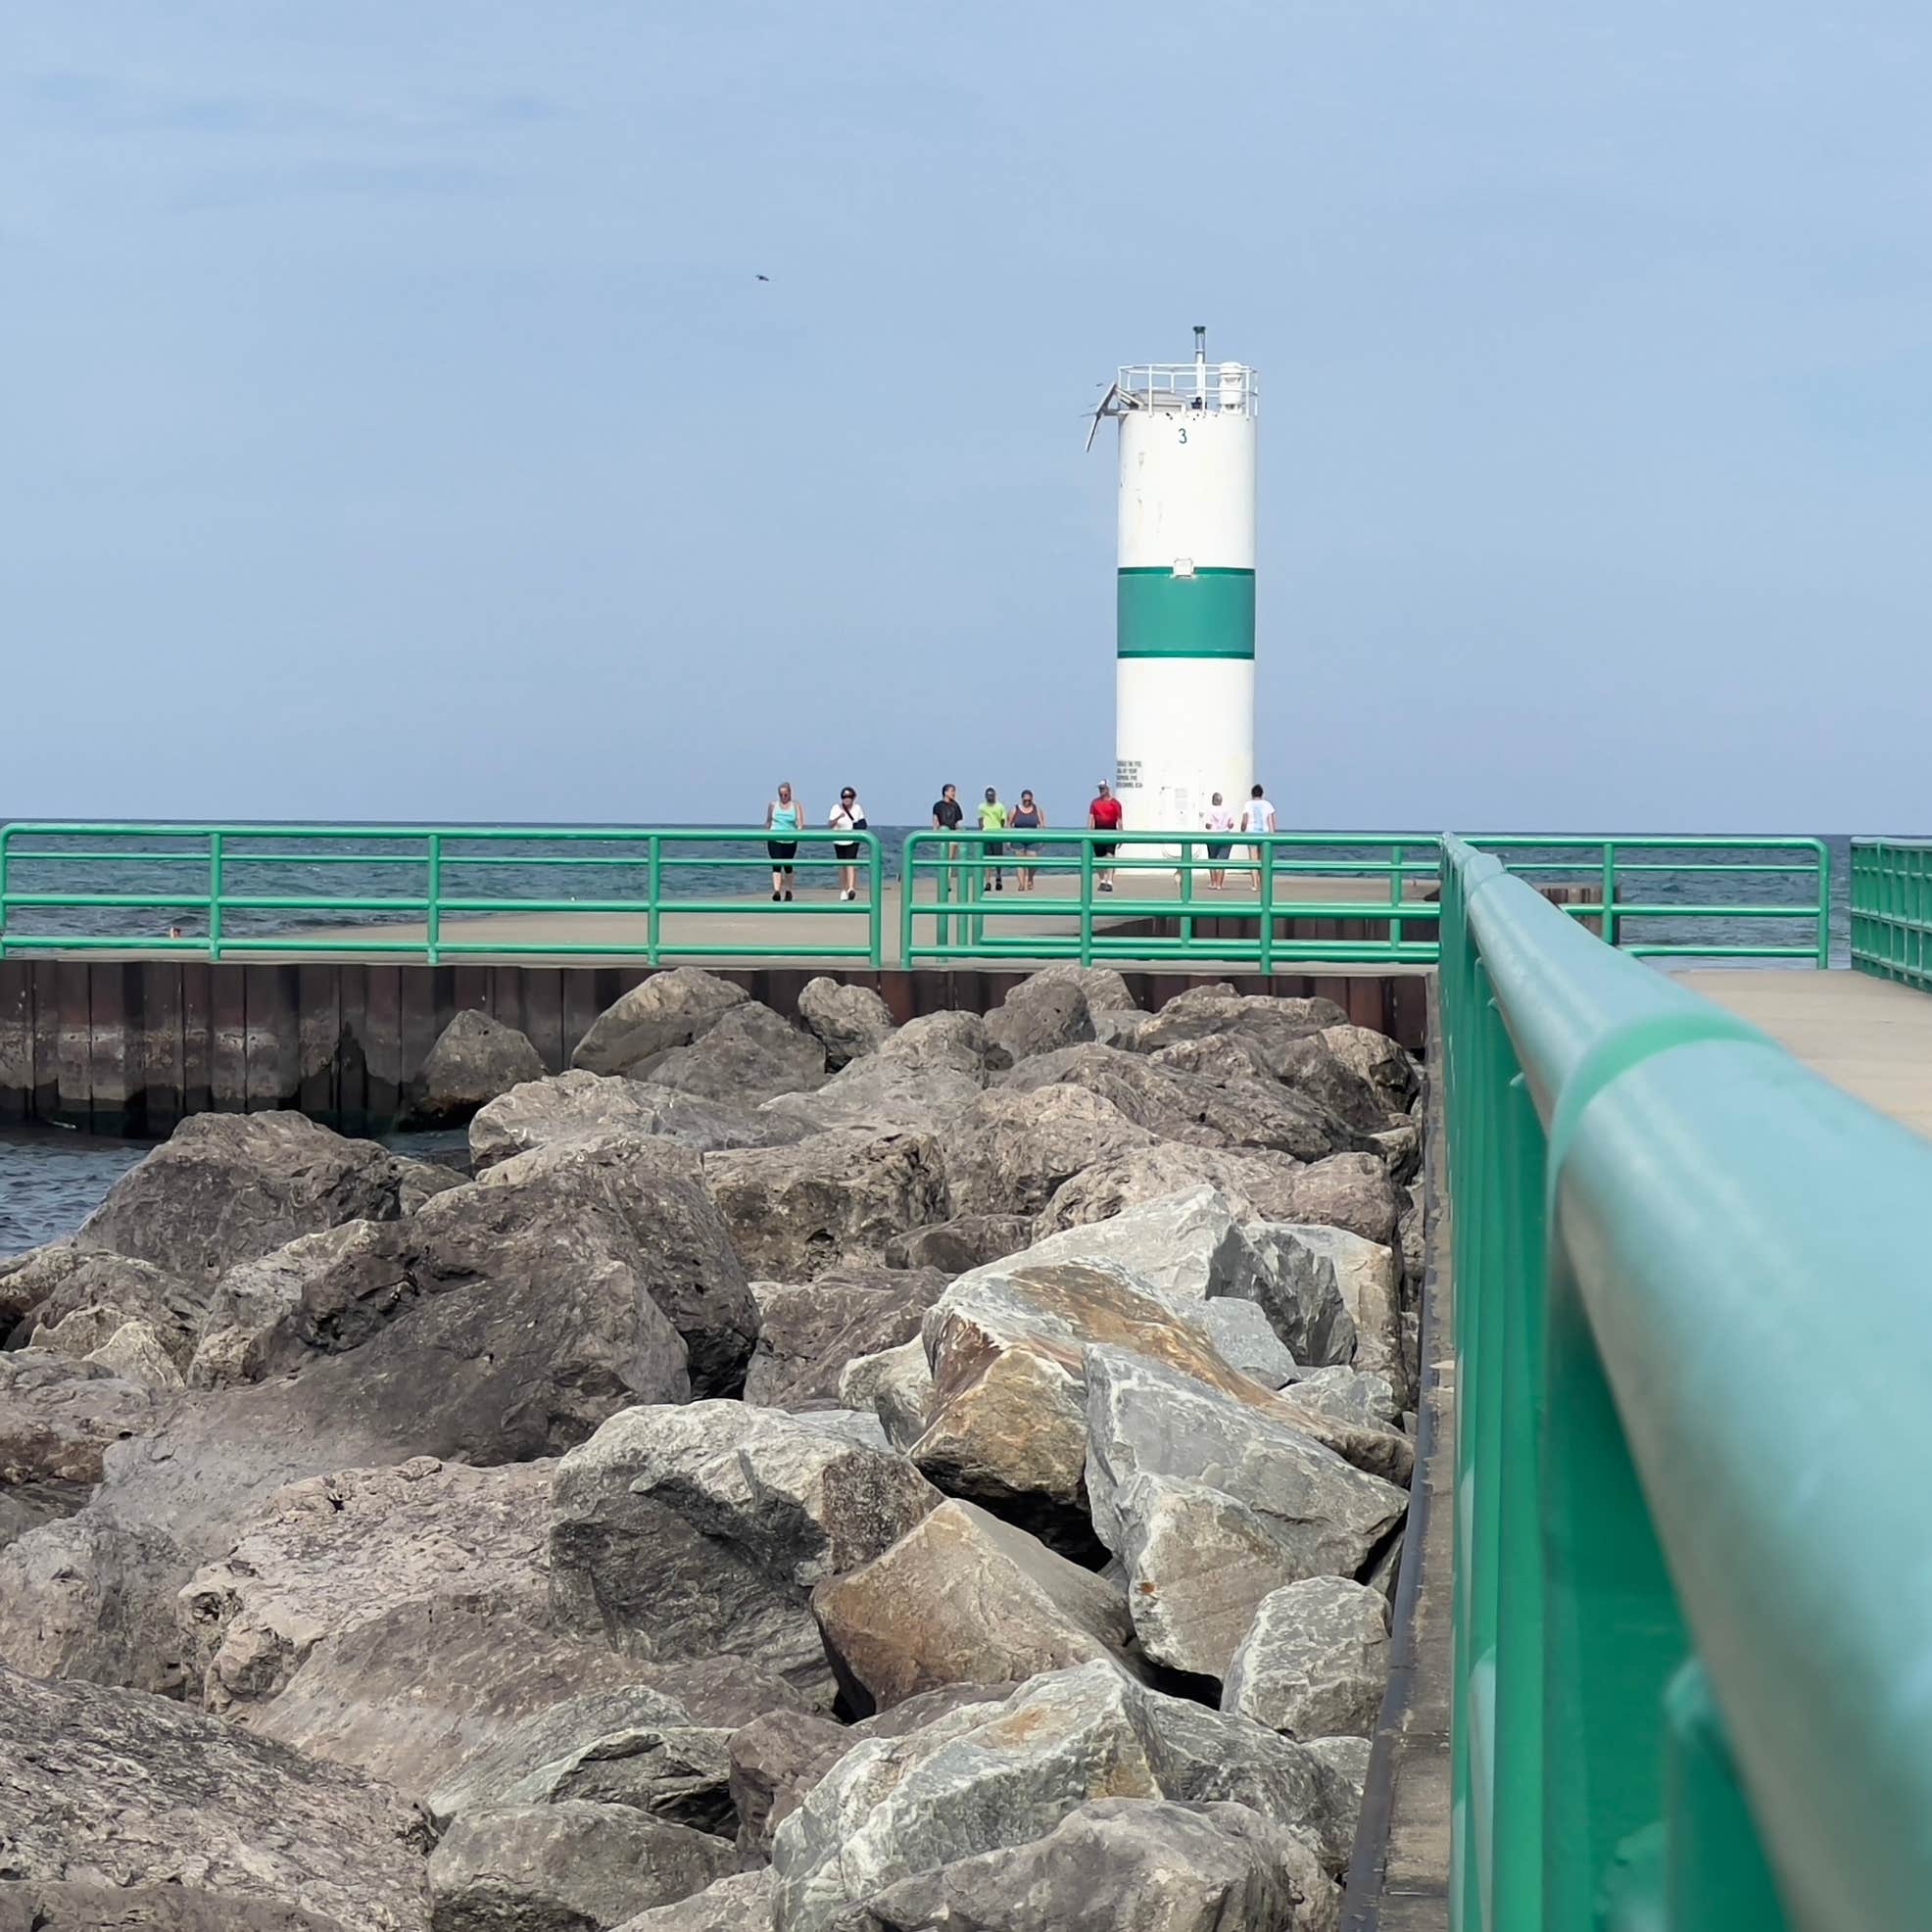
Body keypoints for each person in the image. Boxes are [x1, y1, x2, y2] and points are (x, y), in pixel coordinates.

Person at [765, 781, 802, 900]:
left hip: (790, 840)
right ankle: (776, 891)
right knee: (776, 864)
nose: (783, 797)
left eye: (785, 794)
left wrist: (799, 832)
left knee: (787, 865)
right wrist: (765, 833)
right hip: (774, 838)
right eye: (781, 794)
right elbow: (768, 821)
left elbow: (800, 823)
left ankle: (788, 890)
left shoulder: (795, 805)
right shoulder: (772, 805)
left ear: (790, 793)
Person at [829, 786, 867, 901]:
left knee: (850, 862)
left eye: (849, 797)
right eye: (844, 797)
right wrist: (838, 817)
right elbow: (830, 823)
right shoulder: (836, 808)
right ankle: (843, 889)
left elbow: (862, 823)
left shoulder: (857, 808)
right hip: (839, 839)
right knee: (842, 865)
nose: (847, 799)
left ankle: (851, 888)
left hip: (852, 839)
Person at [1087, 779, 1124, 893]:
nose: (1101, 791)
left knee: (1110, 855)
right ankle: (1103, 879)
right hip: (1098, 831)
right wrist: (1089, 833)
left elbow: (1119, 820)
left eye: (1103, 788)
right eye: (1100, 789)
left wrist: (1121, 835)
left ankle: (1110, 881)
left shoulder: (1115, 803)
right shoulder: (1095, 802)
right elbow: (1091, 818)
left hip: (1111, 831)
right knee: (1099, 858)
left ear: (1108, 789)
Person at [1240, 781, 1278, 894]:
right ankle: (1263, 884)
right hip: (1265, 834)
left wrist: (1242, 829)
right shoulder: (1268, 805)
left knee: (1253, 860)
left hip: (1251, 833)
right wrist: (1272, 834)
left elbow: (1245, 820)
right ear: (1262, 794)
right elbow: (1271, 821)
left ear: (1252, 794)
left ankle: (1255, 884)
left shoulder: (1248, 804)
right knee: (1264, 861)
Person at [1009, 789, 1044, 892]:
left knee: (1033, 860)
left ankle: (1030, 878)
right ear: (1022, 799)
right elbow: (1009, 824)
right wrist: (1008, 839)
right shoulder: (1015, 809)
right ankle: (1021, 884)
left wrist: (1042, 838)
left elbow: (1042, 824)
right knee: (1020, 862)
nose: (1027, 802)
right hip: (1018, 838)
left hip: (1032, 838)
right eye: (1025, 800)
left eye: (1029, 800)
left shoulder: (1036, 809)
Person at [978, 787, 1009, 892]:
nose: (990, 798)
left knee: (998, 858)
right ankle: (987, 881)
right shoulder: (982, 807)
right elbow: (980, 820)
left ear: (995, 796)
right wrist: (983, 830)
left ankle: (998, 878)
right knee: (987, 859)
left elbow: (1003, 821)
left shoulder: (1000, 806)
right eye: (988, 796)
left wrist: (999, 831)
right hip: (986, 833)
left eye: (991, 796)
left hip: (997, 833)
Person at [1203, 792, 1236, 890]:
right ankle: (1219, 884)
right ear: (1221, 800)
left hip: (1213, 835)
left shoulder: (1209, 810)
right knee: (1223, 861)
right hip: (1226, 835)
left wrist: (1212, 825)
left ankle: (1213, 882)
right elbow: (1231, 824)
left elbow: (1207, 825)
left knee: (1212, 859)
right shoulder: (1227, 810)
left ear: (1213, 800)